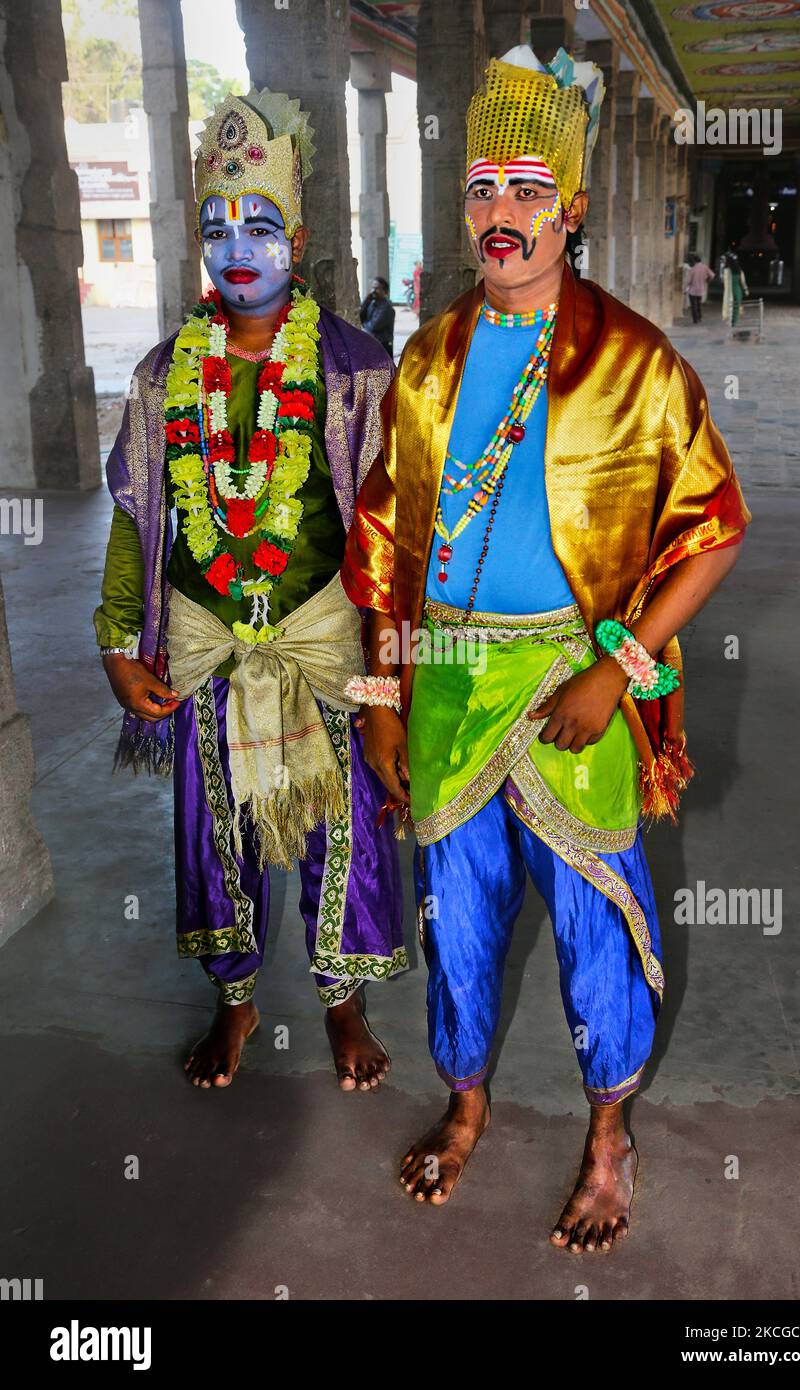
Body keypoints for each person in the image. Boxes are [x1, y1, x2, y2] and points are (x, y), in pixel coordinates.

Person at [341, 46, 750, 1251]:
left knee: (592, 933)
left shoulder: (632, 363)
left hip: (575, 687)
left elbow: (714, 530)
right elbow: (377, 551)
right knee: (455, 924)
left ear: (569, 207)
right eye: (481, 189)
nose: (501, 214)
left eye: (527, 189)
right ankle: (464, 1103)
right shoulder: (425, 362)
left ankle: (608, 1132)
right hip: (446, 689)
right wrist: (377, 699)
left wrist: (612, 671)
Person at [94, 90, 404, 1091]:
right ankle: (233, 1001)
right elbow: (141, 515)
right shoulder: (159, 375)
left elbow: (397, 534)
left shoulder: (355, 368)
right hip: (202, 640)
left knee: (334, 826)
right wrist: (114, 641)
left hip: (322, 636)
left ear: (300, 238)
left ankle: (341, 1003)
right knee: (212, 829)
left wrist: (396, 675)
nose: (237, 247)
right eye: (216, 228)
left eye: (259, 225)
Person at [360, 277, 395, 357]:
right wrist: (366, 302)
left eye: (377, 288)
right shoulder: (372, 303)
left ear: (384, 291)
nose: (373, 291)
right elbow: (361, 318)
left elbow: (374, 326)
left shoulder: (386, 307)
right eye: (373, 288)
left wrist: (364, 325)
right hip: (373, 344)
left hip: (383, 346)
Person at [685, 253, 715, 324]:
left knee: (693, 305)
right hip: (701, 289)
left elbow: (688, 281)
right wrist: (707, 280)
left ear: (694, 261)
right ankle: (699, 318)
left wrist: (684, 289)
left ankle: (695, 320)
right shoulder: (705, 267)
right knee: (698, 304)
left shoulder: (693, 269)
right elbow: (712, 275)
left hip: (692, 290)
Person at [722, 250, 748, 327]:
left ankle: (732, 322)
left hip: (730, 291)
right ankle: (733, 322)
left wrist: (745, 289)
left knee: (731, 306)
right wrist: (745, 289)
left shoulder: (726, 270)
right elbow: (742, 281)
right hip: (737, 291)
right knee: (735, 307)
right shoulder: (738, 270)